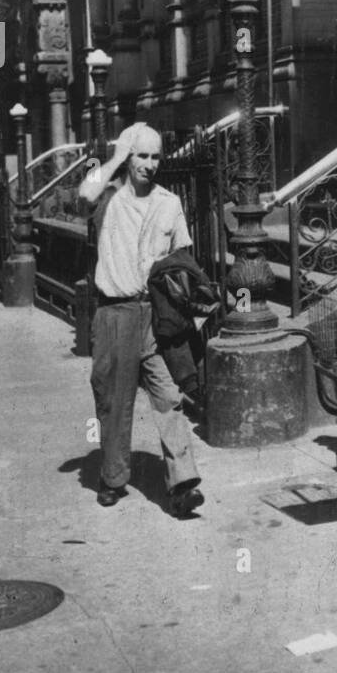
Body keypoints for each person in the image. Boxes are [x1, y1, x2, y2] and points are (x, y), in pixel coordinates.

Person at [78, 123, 204, 518]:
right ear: (129, 157)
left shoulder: (169, 202)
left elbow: (183, 258)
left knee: (168, 396)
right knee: (114, 400)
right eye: (141, 156)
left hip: (155, 315)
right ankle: (113, 478)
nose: (149, 165)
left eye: (155, 157)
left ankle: (182, 483)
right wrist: (116, 156)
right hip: (114, 314)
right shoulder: (109, 199)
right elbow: (83, 193)